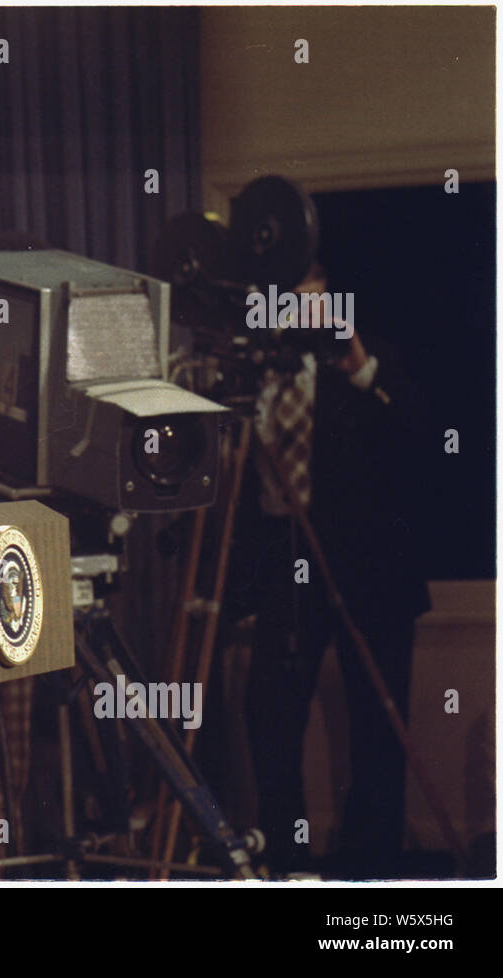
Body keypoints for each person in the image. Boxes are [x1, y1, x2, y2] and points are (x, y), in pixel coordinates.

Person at [231, 262, 431, 878]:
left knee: (377, 725)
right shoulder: (252, 377)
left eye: (316, 304)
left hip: (372, 574)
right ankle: (286, 867)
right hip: (286, 571)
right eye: (292, 305)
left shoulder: (369, 367)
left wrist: (360, 365)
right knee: (270, 719)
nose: (304, 317)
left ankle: (373, 873)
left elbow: (419, 443)